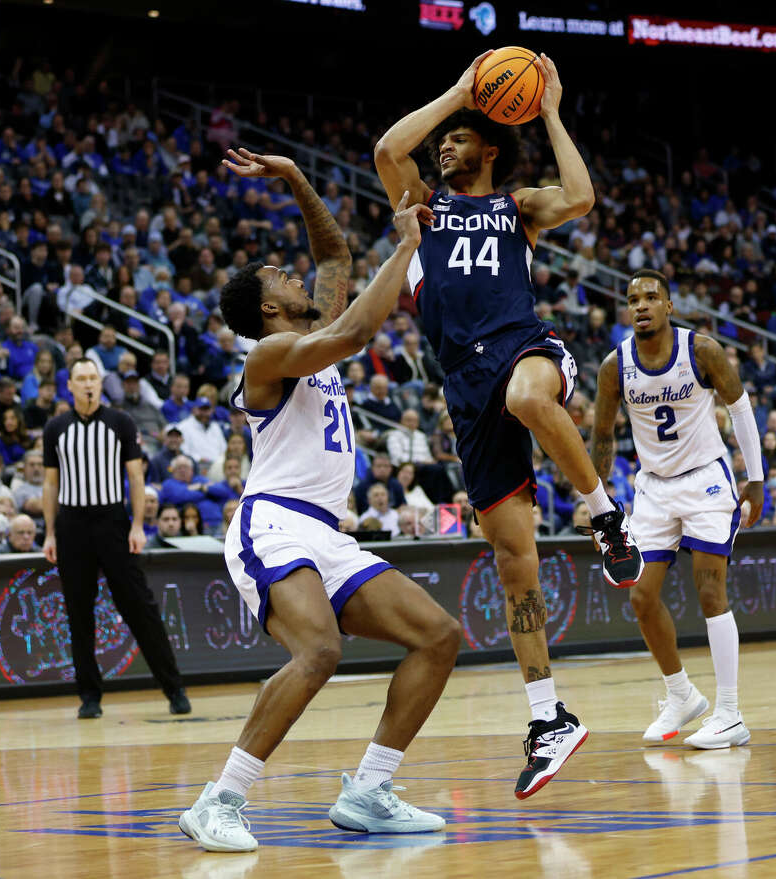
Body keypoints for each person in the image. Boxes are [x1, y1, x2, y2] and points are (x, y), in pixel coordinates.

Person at [178, 150, 459, 851]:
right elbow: (358, 331)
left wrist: (294, 178)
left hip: (326, 534)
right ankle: (219, 800)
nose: (295, 273)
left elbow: (333, 254)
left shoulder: (310, 336)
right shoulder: (268, 355)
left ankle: (369, 791)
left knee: (439, 636)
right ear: (268, 307)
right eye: (281, 275)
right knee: (319, 650)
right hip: (272, 523)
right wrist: (406, 245)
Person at [376, 52, 639, 796]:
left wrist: (549, 110)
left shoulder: (517, 207)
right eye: (442, 141)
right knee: (513, 560)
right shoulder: (421, 206)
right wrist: (458, 92)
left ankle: (604, 514)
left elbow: (581, 197)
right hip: (463, 384)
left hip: (524, 346)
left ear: (490, 147)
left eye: (457, 137)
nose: (443, 147)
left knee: (528, 398)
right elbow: (388, 149)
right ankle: (548, 715)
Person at [590, 269, 764, 749]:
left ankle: (730, 713)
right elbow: (602, 437)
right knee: (641, 598)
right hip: (653, 489)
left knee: (709, 591)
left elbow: (740, 408)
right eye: (633, 300)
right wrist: (598, 505)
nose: (641, 306)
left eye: (651, 297)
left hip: (706, 480)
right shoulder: (614, 366)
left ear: (669, 306)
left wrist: (756, 479)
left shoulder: (701, 350)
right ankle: (682, 695)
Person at [43, 358, 189, 719]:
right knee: (79, 613)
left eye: (93, 378)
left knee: (140, 607)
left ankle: (174, 688)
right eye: (81, 379)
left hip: (112, 521)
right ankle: (89, 696)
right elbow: (50, 482)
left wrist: (137, 525)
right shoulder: (56, 428)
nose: (88, 384)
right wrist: (50, 533)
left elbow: (136, 479)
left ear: (100, 383)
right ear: (70, 386)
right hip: (72, 525)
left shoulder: (121, 422)